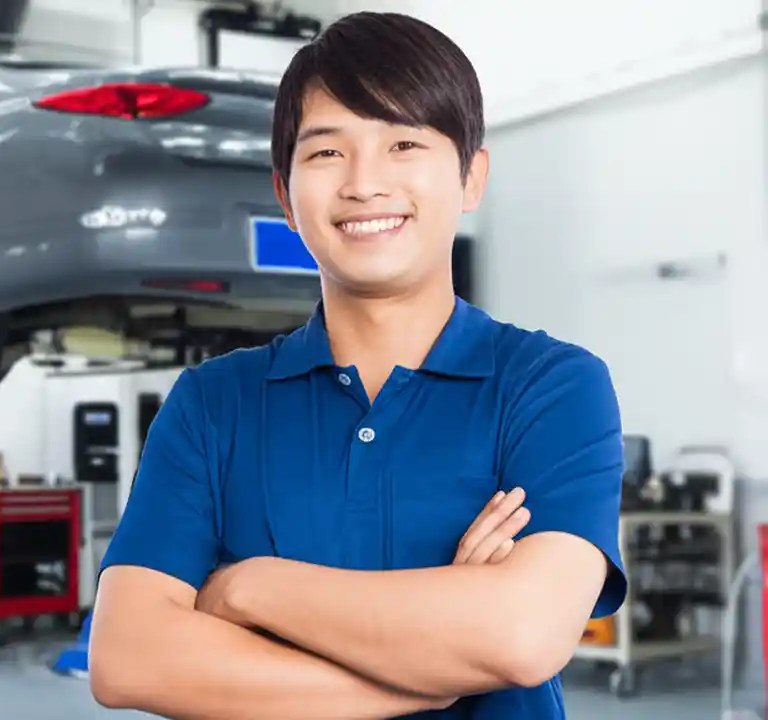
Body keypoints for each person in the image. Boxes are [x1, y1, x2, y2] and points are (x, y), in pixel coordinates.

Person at [89, 11, 626, 720]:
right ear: (285, 196)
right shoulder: (211, 406)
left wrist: (250, 588)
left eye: (404, 143)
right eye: (326, 153)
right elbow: (128, 658)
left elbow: (523, 636)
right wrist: (440, 669)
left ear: (471, 177)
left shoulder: (551, 387)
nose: (365, 184)